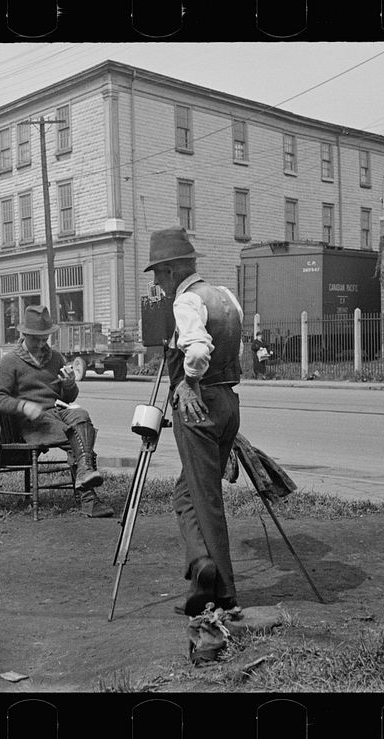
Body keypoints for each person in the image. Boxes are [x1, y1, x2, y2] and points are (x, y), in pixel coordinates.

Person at [144, 226, 244, 618]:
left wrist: (189, 382)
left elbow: (199, 350)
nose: (156, 283)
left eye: (157, 274)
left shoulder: (186, 301)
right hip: (229, 404)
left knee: (206, 501)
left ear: (170, 271)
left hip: (198, 407)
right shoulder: (226, 297)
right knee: (186, 494)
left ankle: (225, 592)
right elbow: (232, 346)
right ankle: (200, 563)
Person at [0, 304, 114, 518]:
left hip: (56, 413)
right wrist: (23, 406)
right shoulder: (9, 362)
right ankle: (88, 497)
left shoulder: (55, 358)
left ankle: (85, 472)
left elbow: (68, 398)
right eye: (36, 339)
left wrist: (69, 385)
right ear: (25, 334)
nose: (41, 344)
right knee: (78, 437)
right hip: (31, 422)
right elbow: (0, 399)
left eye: (44, 338)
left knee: (81, 415)